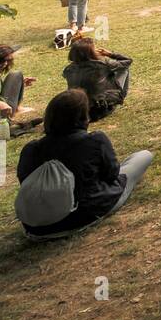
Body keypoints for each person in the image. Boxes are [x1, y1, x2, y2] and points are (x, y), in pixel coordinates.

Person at [15, 89, 153, 239]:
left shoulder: (31, 149)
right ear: (83, 117)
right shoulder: (94, 140)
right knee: (143, 156)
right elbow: (112, 174)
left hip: (38, 228)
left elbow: (26, 182)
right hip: (86, 213)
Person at [63, 37, 132, 120]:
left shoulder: (68, 69)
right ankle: (120, 96)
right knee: (124, 69)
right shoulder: (103, 64)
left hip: (80, 111)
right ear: (90, 52)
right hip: (101, 110)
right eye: (94, 48)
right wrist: (110, 54)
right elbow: (128, 61)